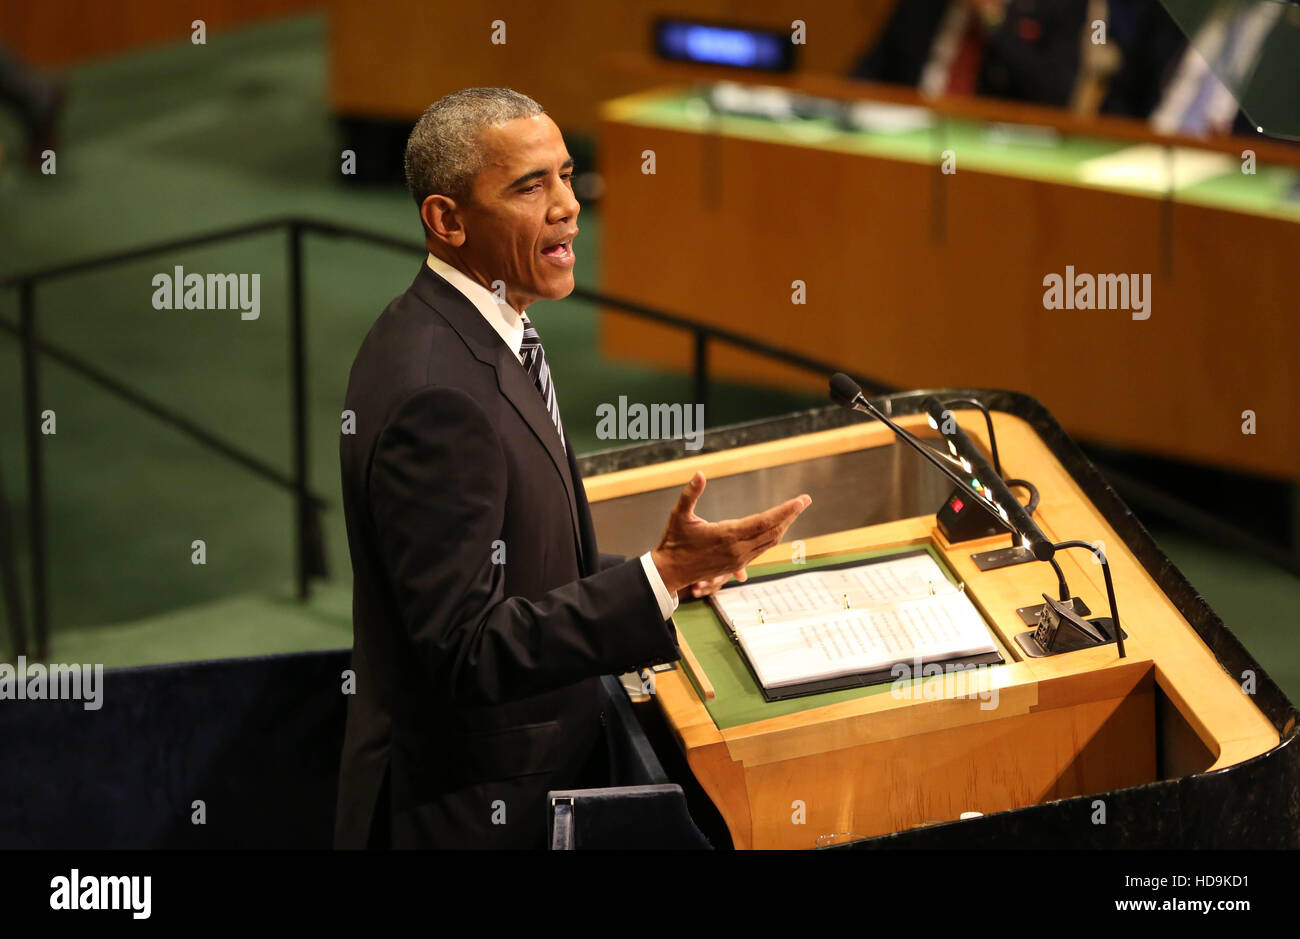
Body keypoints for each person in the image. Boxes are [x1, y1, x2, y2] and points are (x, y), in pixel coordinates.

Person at [333, 88, 810, 849]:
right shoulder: (435, 391)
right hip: (474, 812)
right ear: (446, 220)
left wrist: (673, 575)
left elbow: (516, 563)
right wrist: (651, 578)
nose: (567, 206)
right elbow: (463, 648)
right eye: (529, 186)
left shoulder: (483, 329)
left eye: (565, 174)